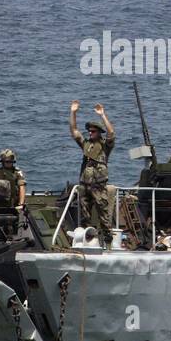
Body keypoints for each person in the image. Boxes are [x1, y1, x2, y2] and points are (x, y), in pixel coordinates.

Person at [68, 101, 115, 246]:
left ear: (99, 133)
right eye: (89, 131)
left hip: (98, 186)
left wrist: (102, 115)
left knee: (104, 217)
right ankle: (88, 242)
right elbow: (74, 131)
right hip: (85, 185)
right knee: (85, 217)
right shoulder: (86, 145)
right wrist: (73, 112)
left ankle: (108, 243)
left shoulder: (105, 146)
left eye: (93, 131)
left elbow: (111, 133)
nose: (90, 133)